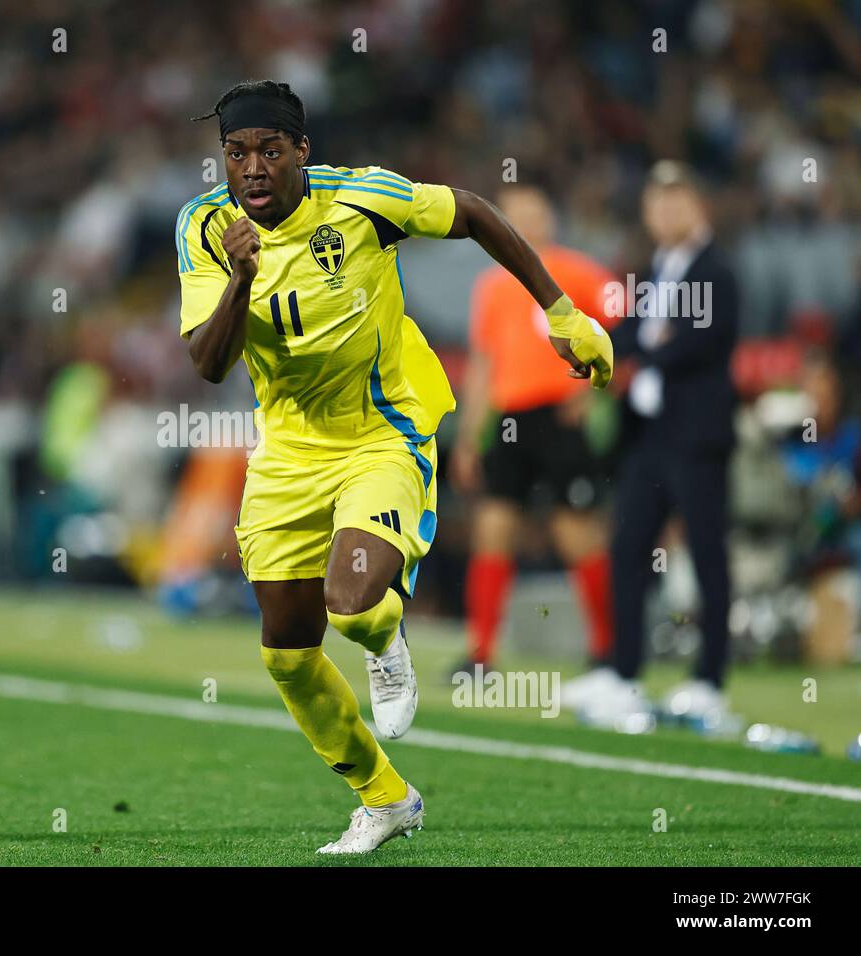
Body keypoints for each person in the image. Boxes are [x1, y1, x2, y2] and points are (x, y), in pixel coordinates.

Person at [176, 80, 613, 853]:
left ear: (301, 152)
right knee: (286, 655)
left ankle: (384, 643)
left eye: (270, 151)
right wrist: (242, 279)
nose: (251, 169)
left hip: (382, 430)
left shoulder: (364, 200)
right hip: (286, 452)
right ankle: (386, 799)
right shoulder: (206, 229)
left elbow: (474, 211)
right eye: (236, 154)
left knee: (352, 603)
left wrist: (560, 310)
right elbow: (209, 365)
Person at [562, 161, 739, 731]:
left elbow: (705, 338)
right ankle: (623, 672)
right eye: (656, 204)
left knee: (708, 554)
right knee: (628, 548)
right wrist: (592, 353)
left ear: (699, 207)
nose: (665, 213)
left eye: (677, 201)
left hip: (696, 436)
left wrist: (644, 357)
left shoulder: (717, 270)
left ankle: (710, 681)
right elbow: (634, 334)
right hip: (650, 438)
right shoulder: (653, 271)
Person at [449, 185, 619, 677]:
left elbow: (622, 333)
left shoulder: (582, 272)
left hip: (559, 415)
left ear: (552, 220)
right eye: (513, 216)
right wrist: (468, 438)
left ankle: (606, 650)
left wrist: (591, 393)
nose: (523, 223)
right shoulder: (493, 285)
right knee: (493, 530)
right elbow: (483, 364)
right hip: (510, 420)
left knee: (577, 534)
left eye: (532, 213)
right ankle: (481, 654)